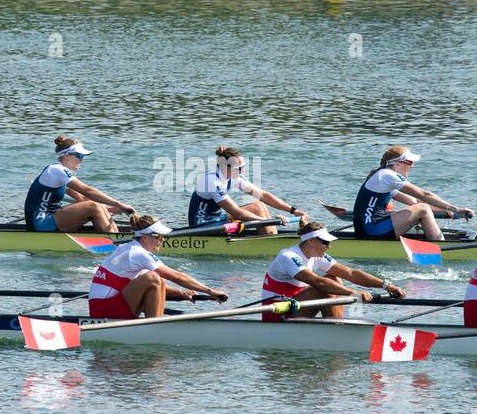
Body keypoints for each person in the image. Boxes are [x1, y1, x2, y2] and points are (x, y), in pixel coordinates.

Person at [88, 215, 228, 319]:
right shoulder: (138, 253)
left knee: (156, 279)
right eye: (158, 236)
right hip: (104, 312)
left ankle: (154, 323)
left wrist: (181, 293)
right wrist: (210, 290)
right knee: (154, 278)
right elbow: (177, 276)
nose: (162, 240)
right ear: (144, 237)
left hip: (104, 307)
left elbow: (153, 286)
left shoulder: (129, 249)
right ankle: (155, 326)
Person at [260, 221, 404, 322]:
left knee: (335, 279)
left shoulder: (317, 256)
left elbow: (351, 273)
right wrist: (352, 293)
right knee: (324, 287)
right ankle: (337, 327)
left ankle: (335, 323)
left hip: (297, 306)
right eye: (326, 242)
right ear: (311, 241)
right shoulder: (288, 256)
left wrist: (386, 285)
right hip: (277, 313)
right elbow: (318, 282)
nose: (329, 247)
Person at [352, 145, 475, 241]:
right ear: (397, 163)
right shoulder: (387, 175)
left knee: (420, 208)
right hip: (371, 231)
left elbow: (414, 201)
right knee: (423, 209)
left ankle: (435, 240)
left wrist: (449, 211)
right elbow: (424, 196)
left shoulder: (383, 176)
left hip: (368, 228)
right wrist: (456, 208)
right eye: (410, 162)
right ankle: (442, 249)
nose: (412, 166)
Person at [26, 137, 136, 233]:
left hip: (52, 219)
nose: (82, 160)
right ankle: (115, 244)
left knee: (99, 205)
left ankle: (116, 239)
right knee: (94, 206)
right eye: (79, 155)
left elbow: (82, 198)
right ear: (67, 155)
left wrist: (112, 209)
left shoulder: (61, 175)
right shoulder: (56, 170)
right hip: (40, 223)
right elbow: (87, 191)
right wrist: (118, 203)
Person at [187, 146, 304, 235]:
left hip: (216, 218)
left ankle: (270, 235)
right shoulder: (212, 181)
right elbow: (237, 212)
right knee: (258, 212)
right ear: (226, 167)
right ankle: (270, 237)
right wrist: (269, 221)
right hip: (202, 225)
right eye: (239, 168)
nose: (242, 171)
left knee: (259, 205)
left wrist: (292, 210)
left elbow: (262, 195)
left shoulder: (233, 177)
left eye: (243, 167)